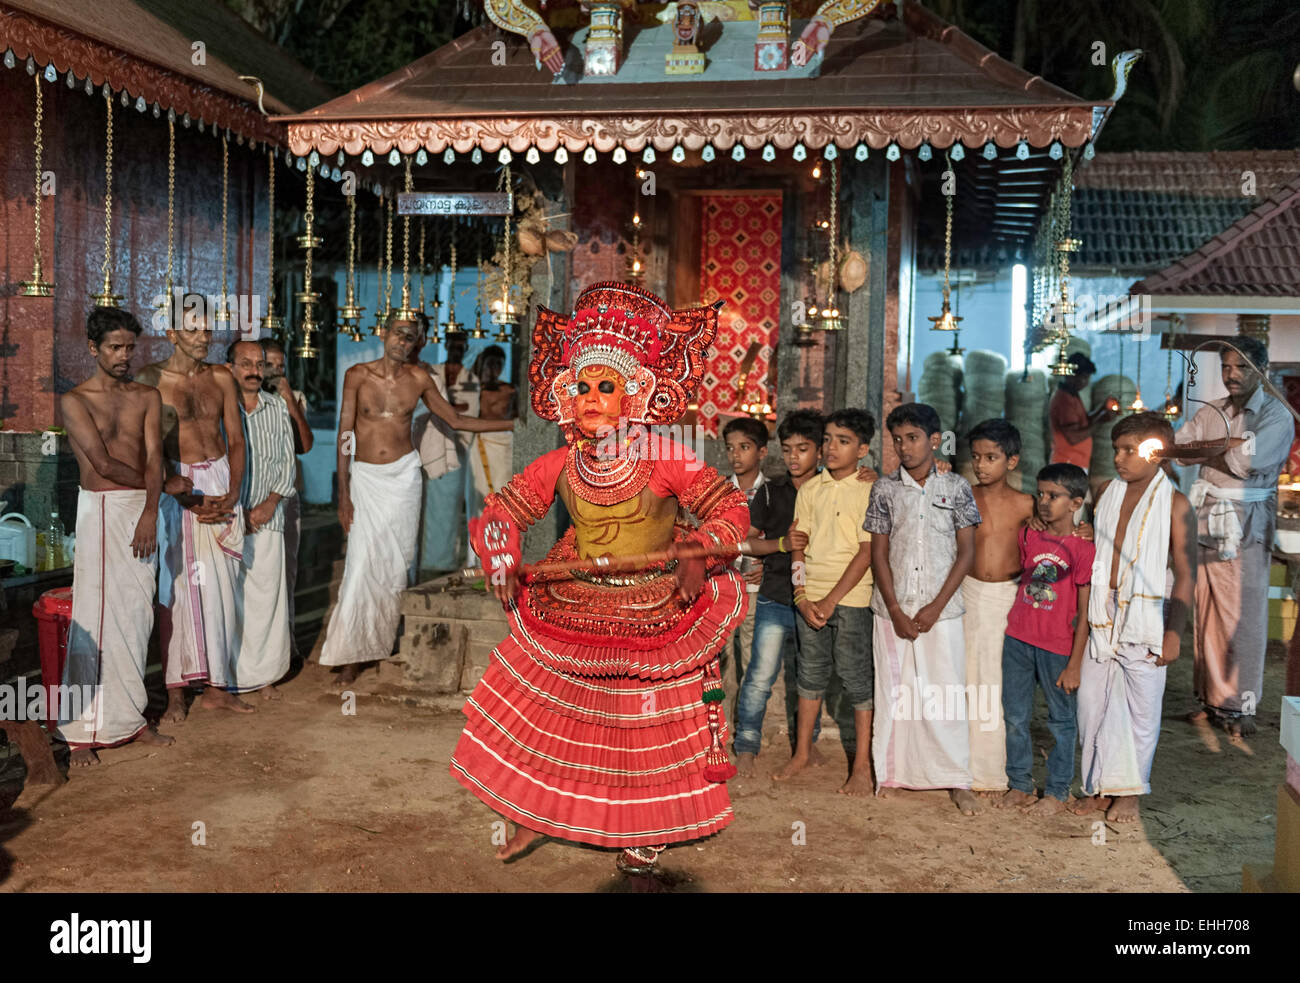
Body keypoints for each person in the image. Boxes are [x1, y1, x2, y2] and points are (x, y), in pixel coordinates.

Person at [449, 281, 750, 875]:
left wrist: (699, 549)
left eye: (605, 386)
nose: (591, 397)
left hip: (657, 605)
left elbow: (730, 510)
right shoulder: (559, 463)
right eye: (581, 386)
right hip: (576, 601)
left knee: (643, 725)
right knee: (556, 713)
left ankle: (645, 829)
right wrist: (503, 562)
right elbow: (500, 513)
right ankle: (535, 810)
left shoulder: (668, 455)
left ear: (636, 393)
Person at [321, 315, 511, 687]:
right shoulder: (358, 375)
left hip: (404, 477)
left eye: (411, 338)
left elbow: (455, 420)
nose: (403, 342)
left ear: (417, 343)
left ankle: (380, 644)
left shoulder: (420, 380)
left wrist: (513, 425)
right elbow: (345, 432)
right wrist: (343, 493)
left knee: (395, 564)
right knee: (361, 562)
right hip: (366, 477)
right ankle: (349, 656)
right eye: (398, 334)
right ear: (383, 333)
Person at [56, 307, 173, 764]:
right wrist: (155, 492)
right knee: (97, 614)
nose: (124, 355)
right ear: (93, 348)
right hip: (101, 510)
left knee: (136, 615)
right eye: (114, 347)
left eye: (130, 347)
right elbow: (102, 464)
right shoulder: (75, 400)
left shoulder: (147, 396)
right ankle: (81, 732)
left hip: (141, 509)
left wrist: (150, 510)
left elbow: (154, 458)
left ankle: (131, 719)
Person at [1071, 413, 1196, 823]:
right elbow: (1092, 543)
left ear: (1157, 455)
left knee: (1139, 711)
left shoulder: (1176, 505)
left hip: (1147, 614)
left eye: (1130, 451)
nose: (1120, 458)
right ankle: (1097, 785)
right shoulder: (1106, 491)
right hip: (1101, 612)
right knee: (1092, 706)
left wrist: (1174, 632)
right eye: (1116, 449)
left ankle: (1128, 791)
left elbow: (1186, 574)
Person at [865, 402, 983, 815]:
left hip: (942, 610)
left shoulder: (956, 489)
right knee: (895, 692)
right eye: (898, 440)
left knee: (945, 694)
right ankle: (892, 772)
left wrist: (936, 605)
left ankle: (956, 778)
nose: (904, 447)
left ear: (935, 440)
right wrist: (895, 608)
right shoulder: (884, 490)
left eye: (913, 438)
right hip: (891, 610)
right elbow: (879, 555)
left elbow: (966, 553)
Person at [136, 300, 248, 721]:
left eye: (209, 329)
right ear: (171, 334)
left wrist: (233, 492)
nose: (205, 337)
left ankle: (218, 686)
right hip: (176, 488)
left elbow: (235, 440)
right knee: (177, 592)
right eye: (195, 329)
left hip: (220, 483)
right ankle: (176, 692)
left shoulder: (221, 377)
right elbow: (143, 447)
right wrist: (174, 489)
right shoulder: (151, 380)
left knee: (221, 592)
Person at [1175, 337, 1291, 736]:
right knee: (1206, 613)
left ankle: (1241, 707)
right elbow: (1181, 448)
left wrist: (1213, 451)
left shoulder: (1275, 415)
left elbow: (1247, 462)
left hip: (1246, 524)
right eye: (1226, 367)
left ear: (1262, 370)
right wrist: (1223, 448)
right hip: (1207, 520)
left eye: (1241, 367)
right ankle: (1210, 700)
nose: (1232, 375)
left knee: (1243, 617)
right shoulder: (1216, 411)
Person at [773, 409, 876, 795]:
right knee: (810, 675)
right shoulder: (811, 490)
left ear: (863, 450)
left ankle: (862, 766)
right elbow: (798, 548)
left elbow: (867, 553)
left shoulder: (870, 489)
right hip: (810, 597)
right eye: (829, 439)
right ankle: (803, 751)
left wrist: (831, 600)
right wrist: (801, 596)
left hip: (851, 599)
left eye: (844, 441)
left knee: (856, 679)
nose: (832, 447)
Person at [997, 463, 1094, 816]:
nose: (1044, 501)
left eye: (1054, 496)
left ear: (1076, 503)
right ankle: (1020, 784)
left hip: (1057, 648)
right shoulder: (1029, 535)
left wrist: (1074, 664)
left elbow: (1084, 613)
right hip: (1018, 640)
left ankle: (1056, 791)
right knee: (1016, 716)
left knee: (1060, 721)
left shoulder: (1084, 549)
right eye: (1041, 493)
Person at [733, 410, 825, 777]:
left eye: (802, 449)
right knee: (760, 675)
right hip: (774, 595)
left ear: (820, 452)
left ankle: (810, 743)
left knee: (810, 675)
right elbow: (748, 542)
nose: (793, 457)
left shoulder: (831, 491)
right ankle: (747, 745)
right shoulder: (771, 491)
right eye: (787, 449)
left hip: (816, 599)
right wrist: (781, 545)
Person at [961, 419, 1033, 796]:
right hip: (969, 594)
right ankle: (967, 768)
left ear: (1012, 461)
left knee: (1001, 681)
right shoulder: (962, 496)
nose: (982, 465)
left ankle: (998, 772)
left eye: (991, 457)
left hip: (1009, 597)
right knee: (969, 678)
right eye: (976, 457)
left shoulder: (1027, 504)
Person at [226, 341, 296, 698]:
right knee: (229, 599)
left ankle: (264, 675)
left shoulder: (277, 407)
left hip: (269, 517)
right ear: (230, 368)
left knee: (266, 599)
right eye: (245, 363)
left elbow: (288, 461)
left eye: (259, 364)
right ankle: (231, 675)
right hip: (227, 517)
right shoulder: (221, 408)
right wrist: (236, 509)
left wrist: (270, 503)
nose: (254, 371)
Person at [260, 339, 312, 662]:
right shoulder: (244, 401)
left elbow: (304, 445)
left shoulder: (293, 398)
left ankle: (285, 646)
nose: (276, 372)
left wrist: (289, 398)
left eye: (281, 366)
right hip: (255, 495)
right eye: (270, 365)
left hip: (286, 495)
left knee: (286, 570)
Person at [419, 331, 480, 573]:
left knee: (446, 507)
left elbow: (469, 414)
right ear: (445, 345)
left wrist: (444, 409)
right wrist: (451, 409)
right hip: (425, 446)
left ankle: (440, 562)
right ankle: (417, 561)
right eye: (452, 345)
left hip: (455, 449)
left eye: (460, 346)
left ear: (464, 348)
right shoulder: (430, 371)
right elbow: (422, 405)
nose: (455, 349)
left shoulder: (470, 379)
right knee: (420, 507)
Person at [722, 416, 770, 729]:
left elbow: (782, 539)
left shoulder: (772, 493)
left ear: (762, 452)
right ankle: (719, 728)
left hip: (754, 589)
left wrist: (768, 563)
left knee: (753, 661)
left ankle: (748, 729)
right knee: (721, 662)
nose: (736, 455)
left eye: (744, 447)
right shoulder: (720, 490)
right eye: (730, 448)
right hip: (723, 589)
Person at [466, 344, 516, 521]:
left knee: (503, 485)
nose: (494, 368)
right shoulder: (474, 390)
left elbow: (518, 419)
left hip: (503, 444)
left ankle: (504, 536)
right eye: (490, 364)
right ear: (483, 364)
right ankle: (479, 538)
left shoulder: (509, 390)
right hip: (480, 444)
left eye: (498, 364)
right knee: (478, 488)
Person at [1050, 353, 1117, 470]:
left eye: (1087, 378)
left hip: (1074, 462)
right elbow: (1074, 437)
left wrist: (1102, 409)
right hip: (1067, 463)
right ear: (1071, 376)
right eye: (1084, 377)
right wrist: (1101, 420)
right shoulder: (1064, 400)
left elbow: (1083, 423)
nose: (1085, 382)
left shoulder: (1072, 395)